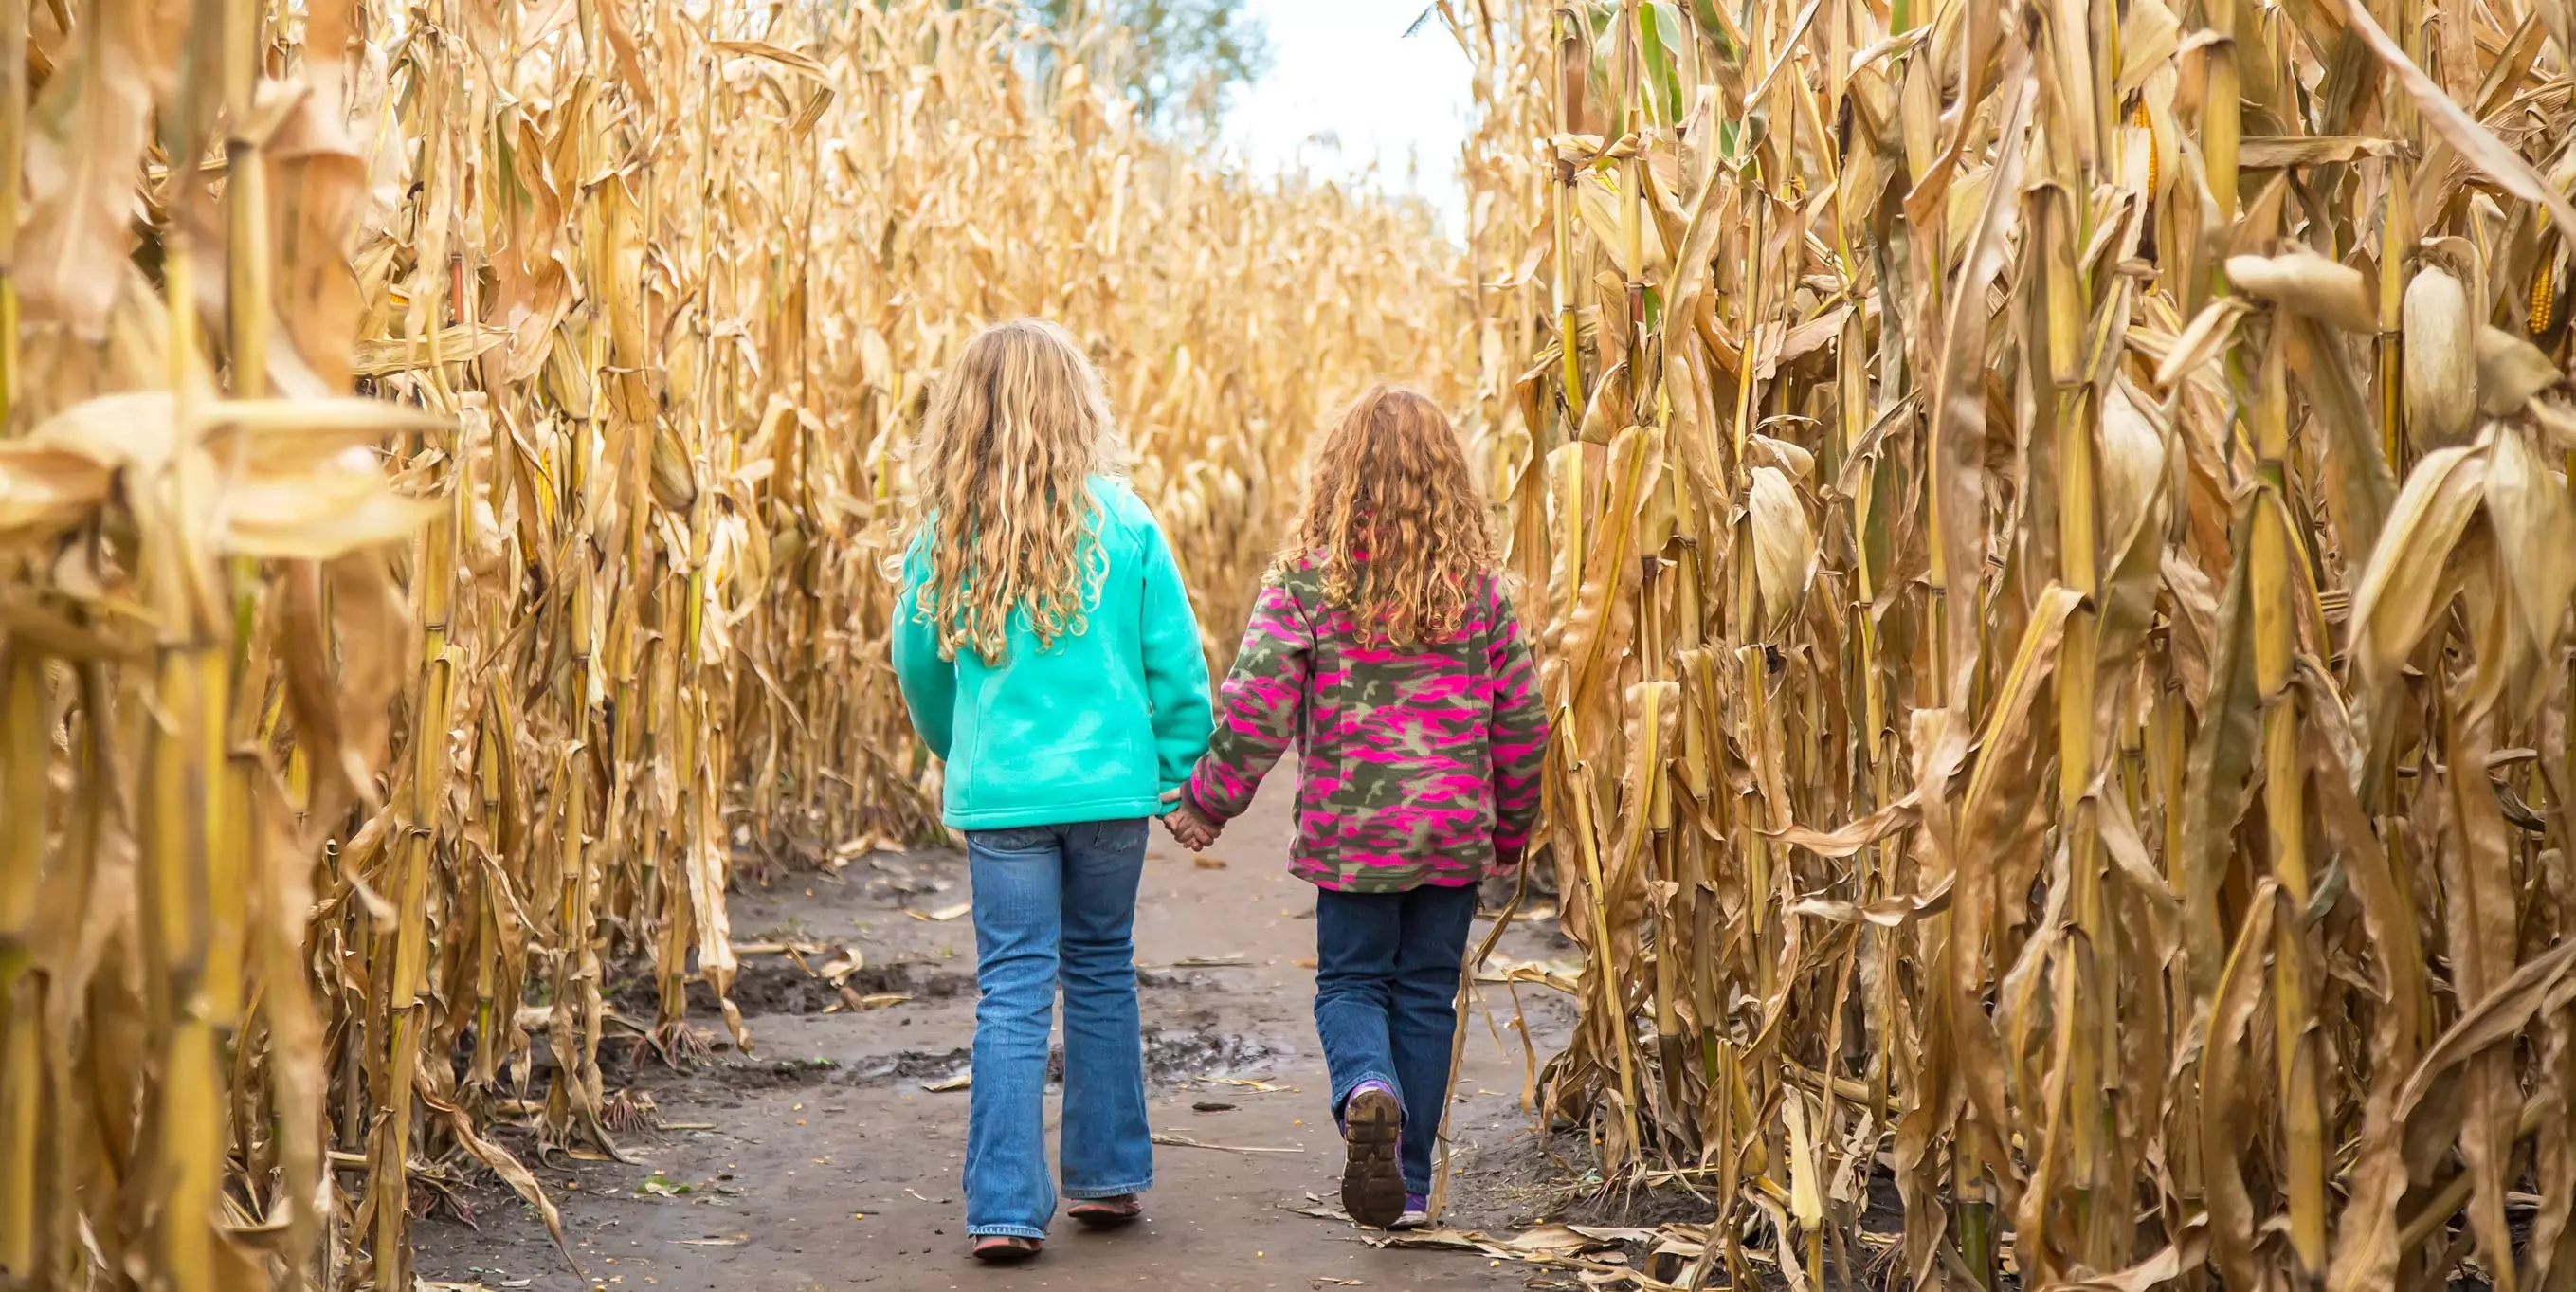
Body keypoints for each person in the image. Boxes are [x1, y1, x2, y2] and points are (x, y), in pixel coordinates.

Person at [1161, 386, 1550, 1231]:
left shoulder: (1308, 579)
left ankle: (1367, 1089)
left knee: (1350, 983)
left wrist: (1207, 802)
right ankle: (1408, 1187)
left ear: (1338, 477)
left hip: (1354, 837)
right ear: (1450, 480)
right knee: (1423, 993)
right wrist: (1512, 829)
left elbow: (1257, 703)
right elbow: (1522, 719)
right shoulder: (1478, 590)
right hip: (1452, 836)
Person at [892, 318, 1213, 1265]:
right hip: (1110, 790)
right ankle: (1107, 1176)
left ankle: (1002, 1206)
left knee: (1014, 986)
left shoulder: (948, 529)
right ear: (1079, 406)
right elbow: (1177, 663)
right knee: (1103, 965)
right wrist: (1176, 773)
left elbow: (918, 662)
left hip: (1005, 799)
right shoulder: (1124, 519)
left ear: (966, 412)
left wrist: (961, 746)